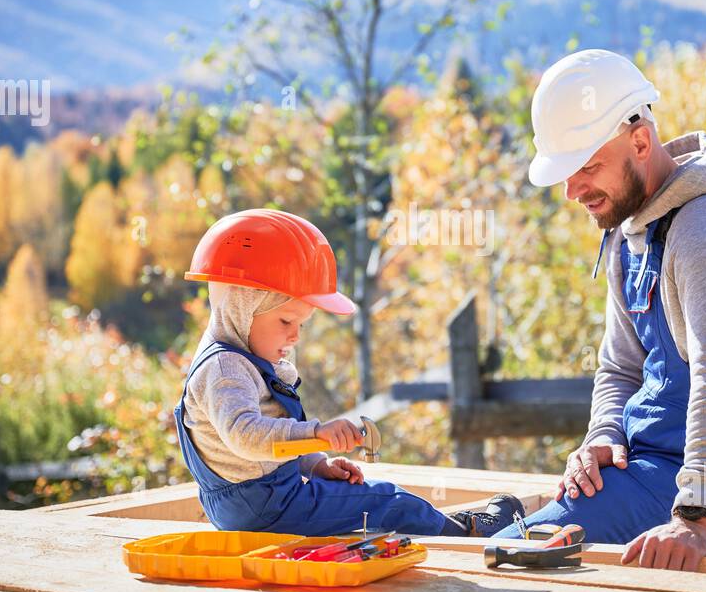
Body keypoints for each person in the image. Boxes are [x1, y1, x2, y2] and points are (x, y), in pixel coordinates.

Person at [491, 49, 706, 571]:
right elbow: (621, 366)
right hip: (660, 460)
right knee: (529, 541)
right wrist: (605, 434)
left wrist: (694, 518)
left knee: (517, 559)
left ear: (640, 142)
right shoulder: (632, 228)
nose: (571, 191)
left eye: (586, 169)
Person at [175, 208, 525, 537]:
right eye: (286, 321)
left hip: (261, 502)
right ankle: (467, 534)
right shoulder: (225, 370)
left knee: (352, 497)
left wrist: (315, 464)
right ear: (241, 307)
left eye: (301, 324)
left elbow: (269, 448)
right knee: (387, 501)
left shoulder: (242, 360)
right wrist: (317, 432)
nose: (295, 336)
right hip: (266, 507)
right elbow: (247, 438)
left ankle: (445, 525)